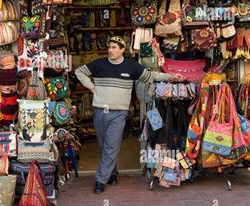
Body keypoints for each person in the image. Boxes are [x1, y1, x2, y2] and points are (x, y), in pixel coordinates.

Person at [75, 36, 183, 193]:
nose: (110, 50)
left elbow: (151, 76)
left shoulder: (131, 66)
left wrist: (170, 77)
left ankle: (100, 180)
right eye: (109, 47)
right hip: (100, 110)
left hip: (119, 112)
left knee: (111, 145)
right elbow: (79, 71)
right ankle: (111, 173)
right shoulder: (99, 64)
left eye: (114, 47)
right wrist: (91, 87)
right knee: (104, 144)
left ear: (122, 50)